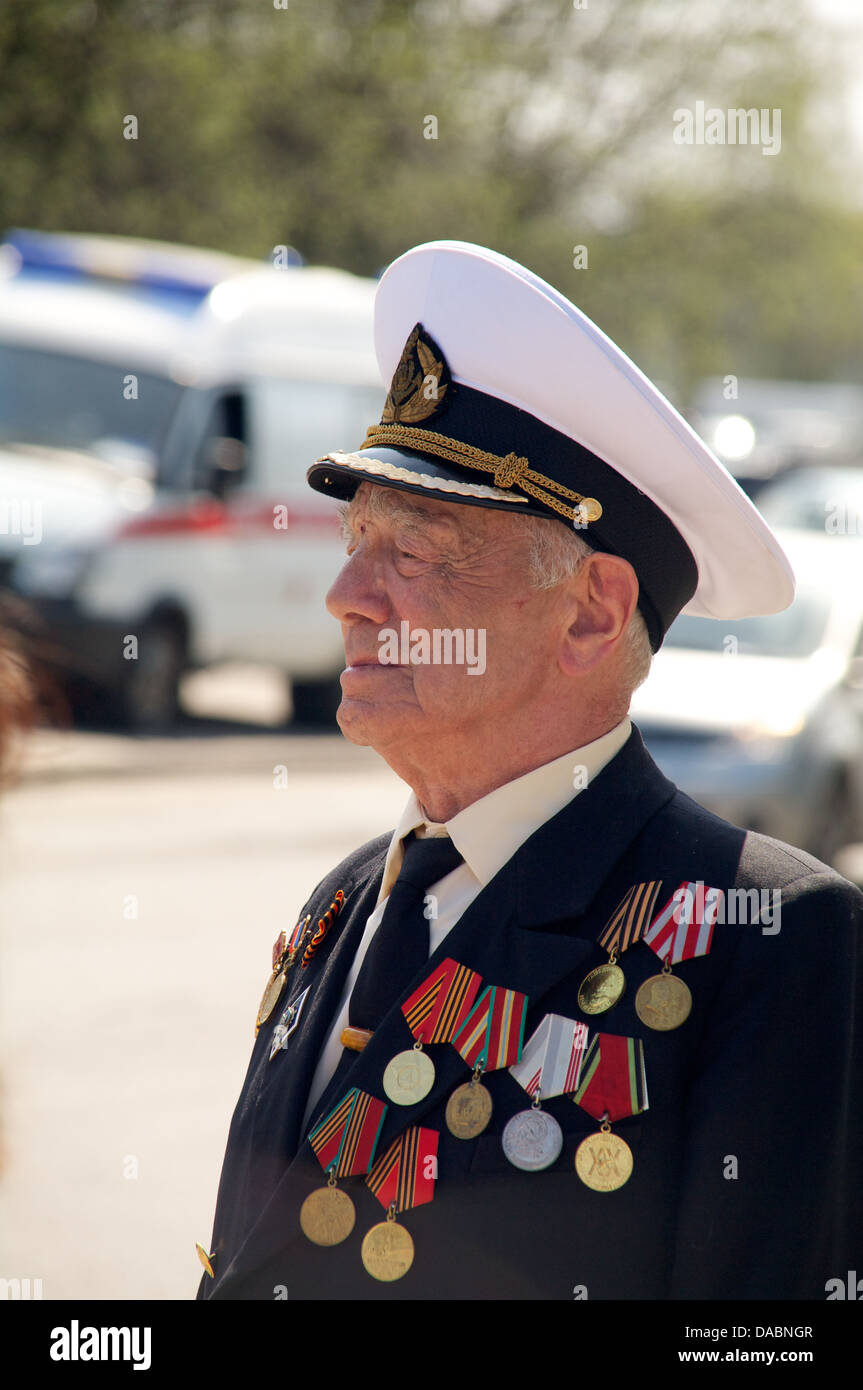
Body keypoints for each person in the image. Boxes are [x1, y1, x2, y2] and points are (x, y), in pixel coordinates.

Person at [197, 241, 862, 1301]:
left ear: (591, 612)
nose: (346, 595)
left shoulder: (767, 938)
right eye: (354, 537)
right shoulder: (348, 900)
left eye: (410, 552)